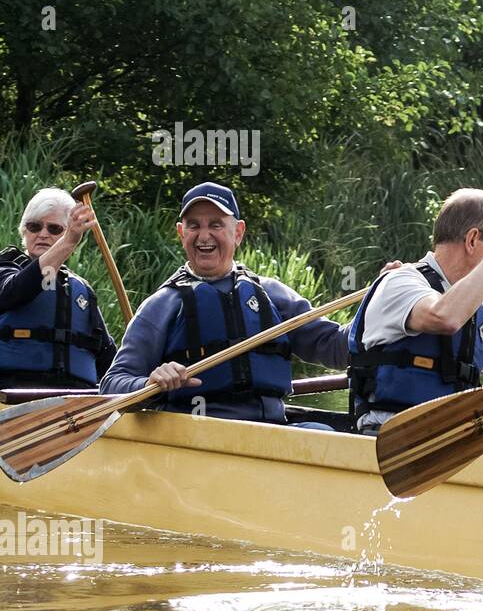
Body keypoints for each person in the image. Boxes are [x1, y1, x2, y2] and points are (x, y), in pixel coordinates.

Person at [100, 183, 347, 428]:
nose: (204, 236)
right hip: (198, 440)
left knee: (322, 432)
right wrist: (148, 385)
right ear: (181, 233)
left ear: (238, 232)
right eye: (194, 225)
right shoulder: (162, 305)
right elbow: (112, 385)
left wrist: (383, 294)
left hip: (272, 434)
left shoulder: (273, 295)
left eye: (216, 224)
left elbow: (337, 348)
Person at [348, 188, 483, 434]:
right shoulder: (398, 283)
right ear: (473, 240)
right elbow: (445, 317)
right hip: (386, 438)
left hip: (450, 443)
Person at [0, 188, 117, 388]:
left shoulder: (79, 289)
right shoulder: (6, 267)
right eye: (34, 226)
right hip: (12, 395)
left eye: (54, 229)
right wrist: (67, 242)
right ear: (24, 230)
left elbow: (108, 357)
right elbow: (15, 292)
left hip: (76, 402)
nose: (43, 234)